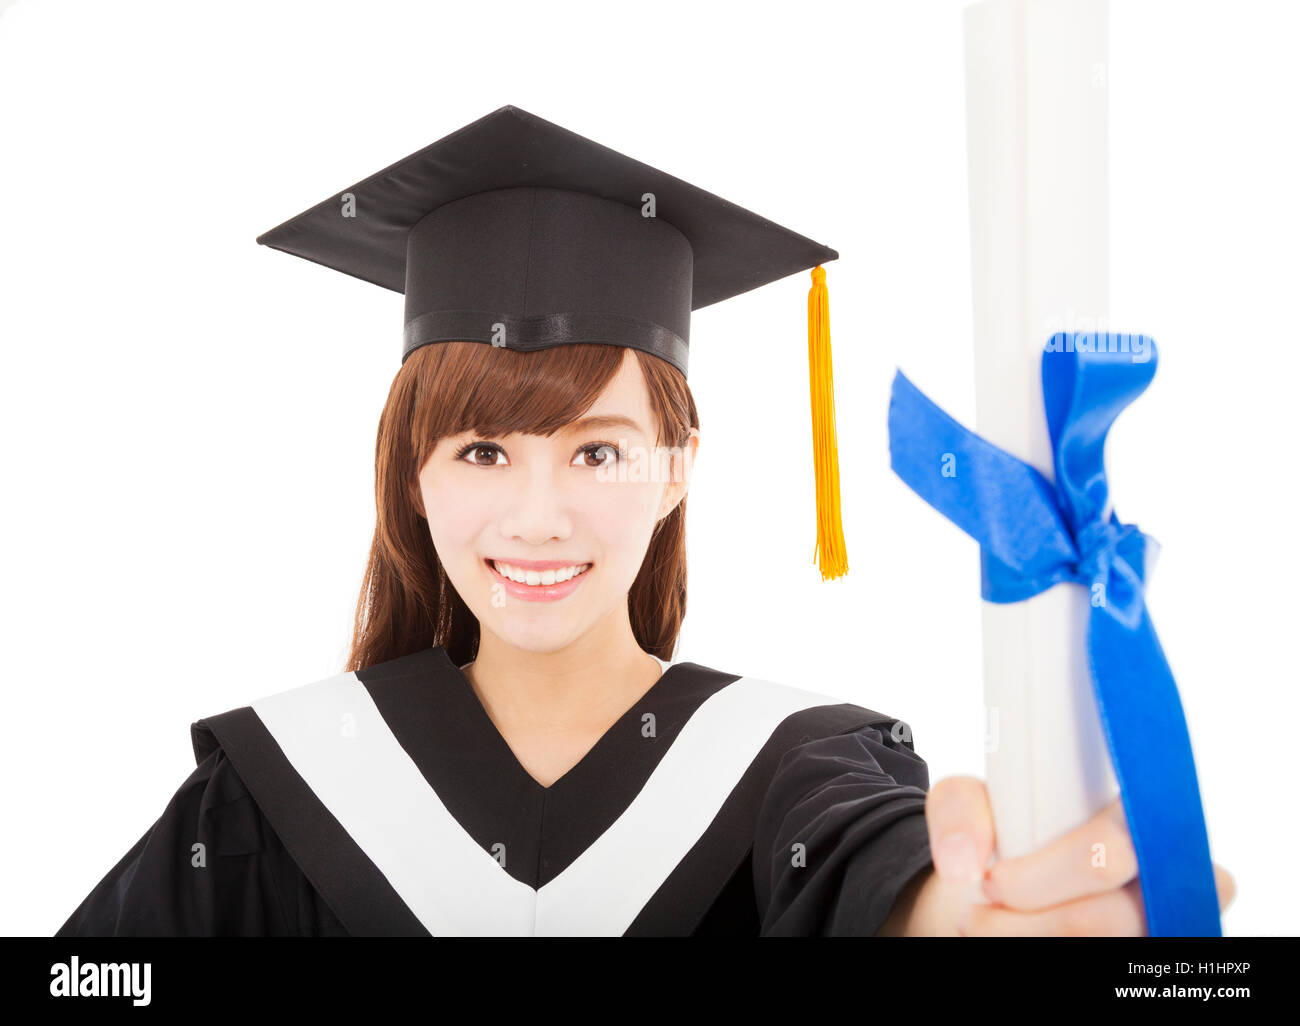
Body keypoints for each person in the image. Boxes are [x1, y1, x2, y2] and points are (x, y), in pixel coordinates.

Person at [54, 105, 1235, 937]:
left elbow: (875, 875)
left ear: (677, 471)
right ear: (411, 477)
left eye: (599, 451)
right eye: (479, 449)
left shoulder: (792, 767)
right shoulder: (272, 794)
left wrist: (960, 912)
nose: (537, 515)